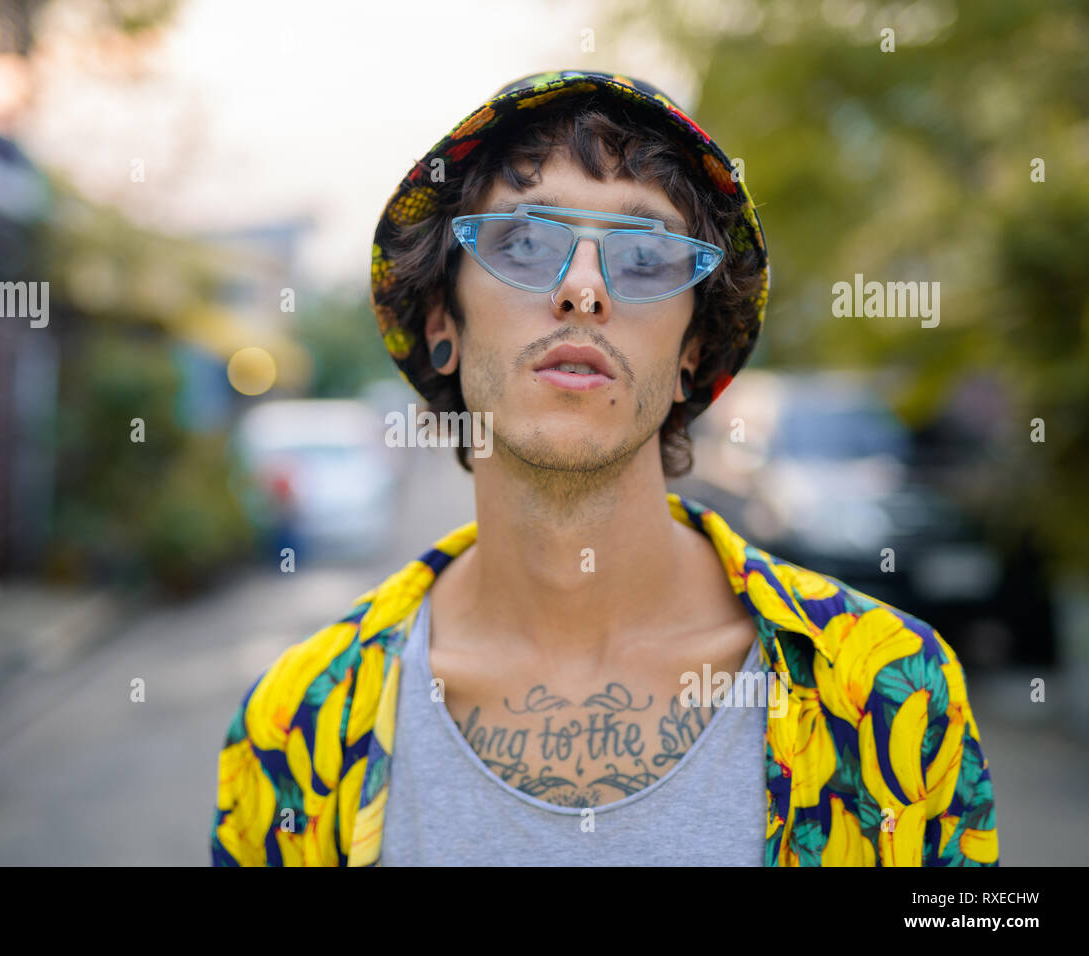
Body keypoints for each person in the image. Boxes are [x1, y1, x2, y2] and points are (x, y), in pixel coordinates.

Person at [210, 69, 998, 866]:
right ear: (443, 322)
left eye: (647, 255)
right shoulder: (298, 724)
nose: (583, 288)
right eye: (525, 242)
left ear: (692, 350)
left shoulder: (886, 690)